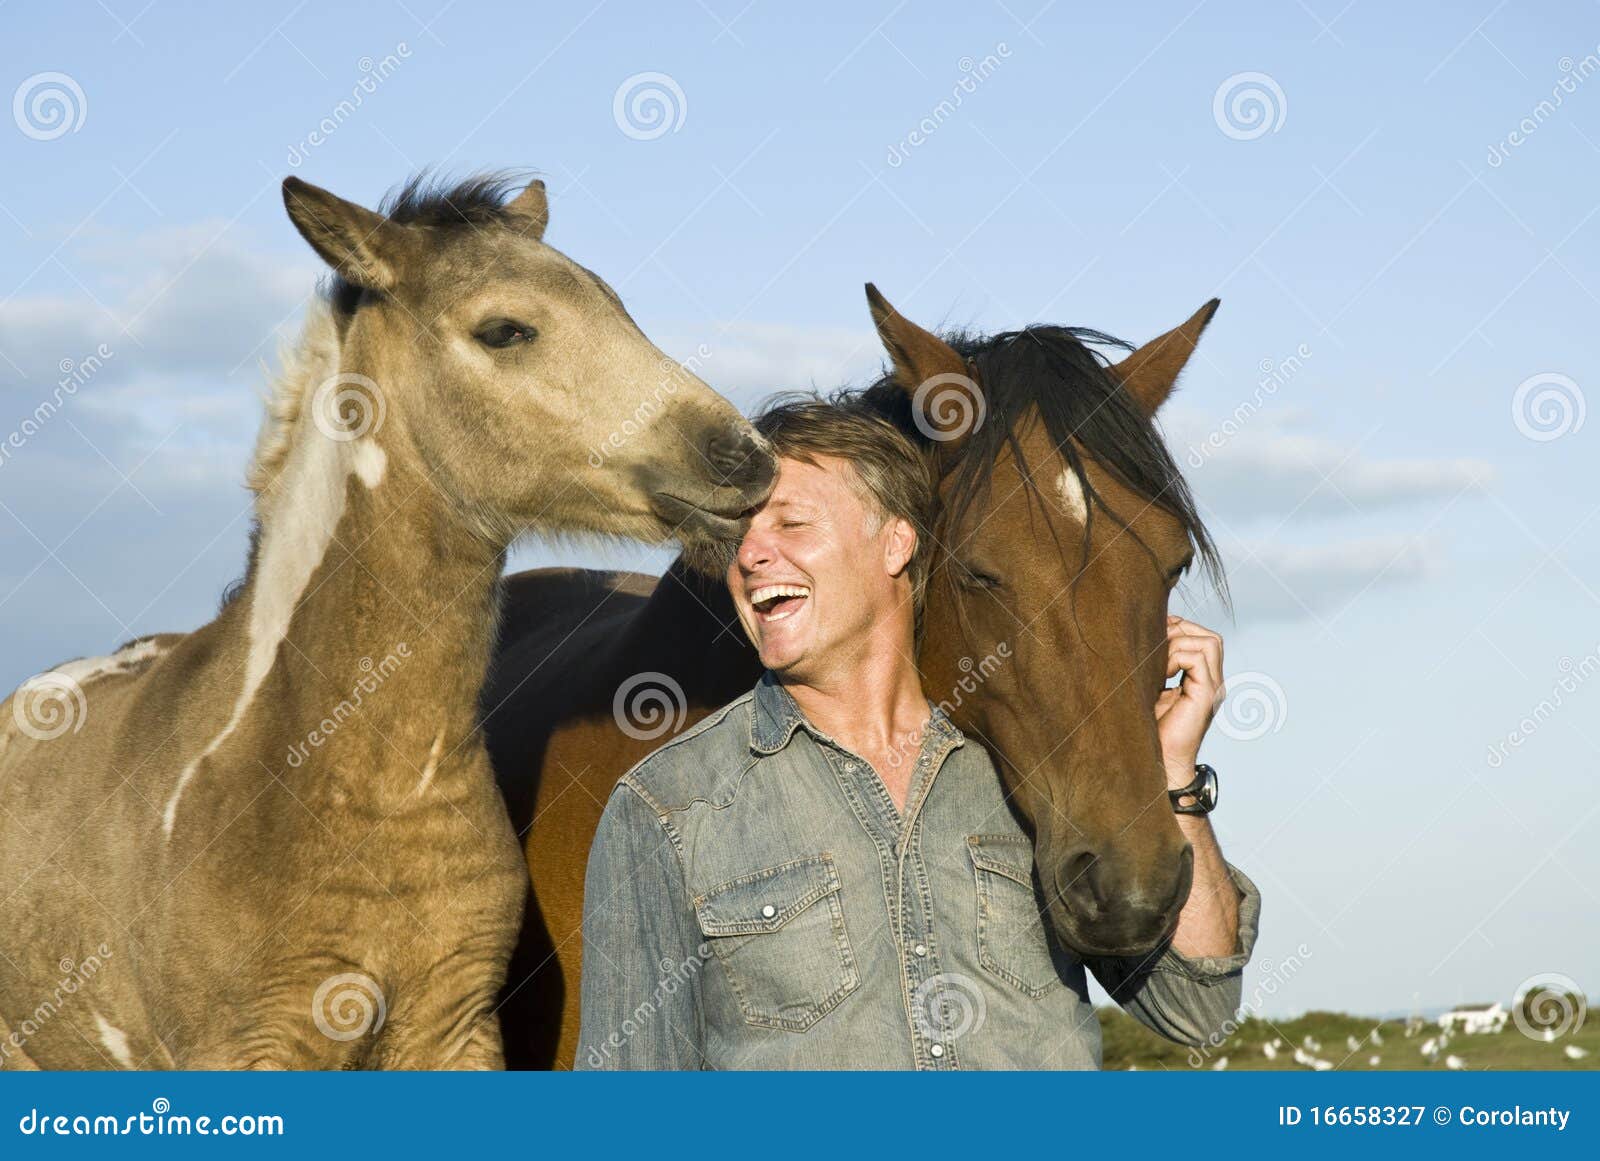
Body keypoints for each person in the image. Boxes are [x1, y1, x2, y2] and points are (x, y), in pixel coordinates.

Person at [577, 399, 1259, 1069]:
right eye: (738, 535)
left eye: (791, 522)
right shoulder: (668, 807)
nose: (752, 554)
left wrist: (1172, 774)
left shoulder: (1023, 767)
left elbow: (1197, 1007)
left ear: (897, 541)